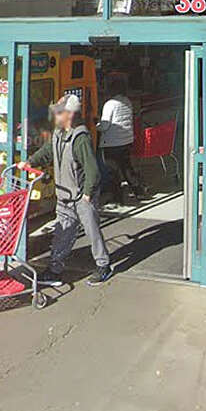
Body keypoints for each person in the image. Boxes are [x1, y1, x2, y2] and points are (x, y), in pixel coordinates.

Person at [26, 93, 113, 286]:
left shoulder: (80, 138)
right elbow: (48, 151)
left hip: (81, 196)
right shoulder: (58, 133)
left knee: (92, 232)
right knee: (62, 234)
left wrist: (88, 194)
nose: (55, 116)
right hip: (64, 194)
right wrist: (31, 162)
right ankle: (55, 269)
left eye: (59, 112)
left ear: (70, 115)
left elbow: (92, 170)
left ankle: (104, 265)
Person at [96, 73, 139, 201]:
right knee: (126, 167)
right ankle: (138, 190)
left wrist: (95, 124)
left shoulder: (110, 104)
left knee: (113, 171)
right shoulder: (127, 101)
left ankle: (117, 196)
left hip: (112, 143)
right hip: (126, 140)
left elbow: (104, 126)